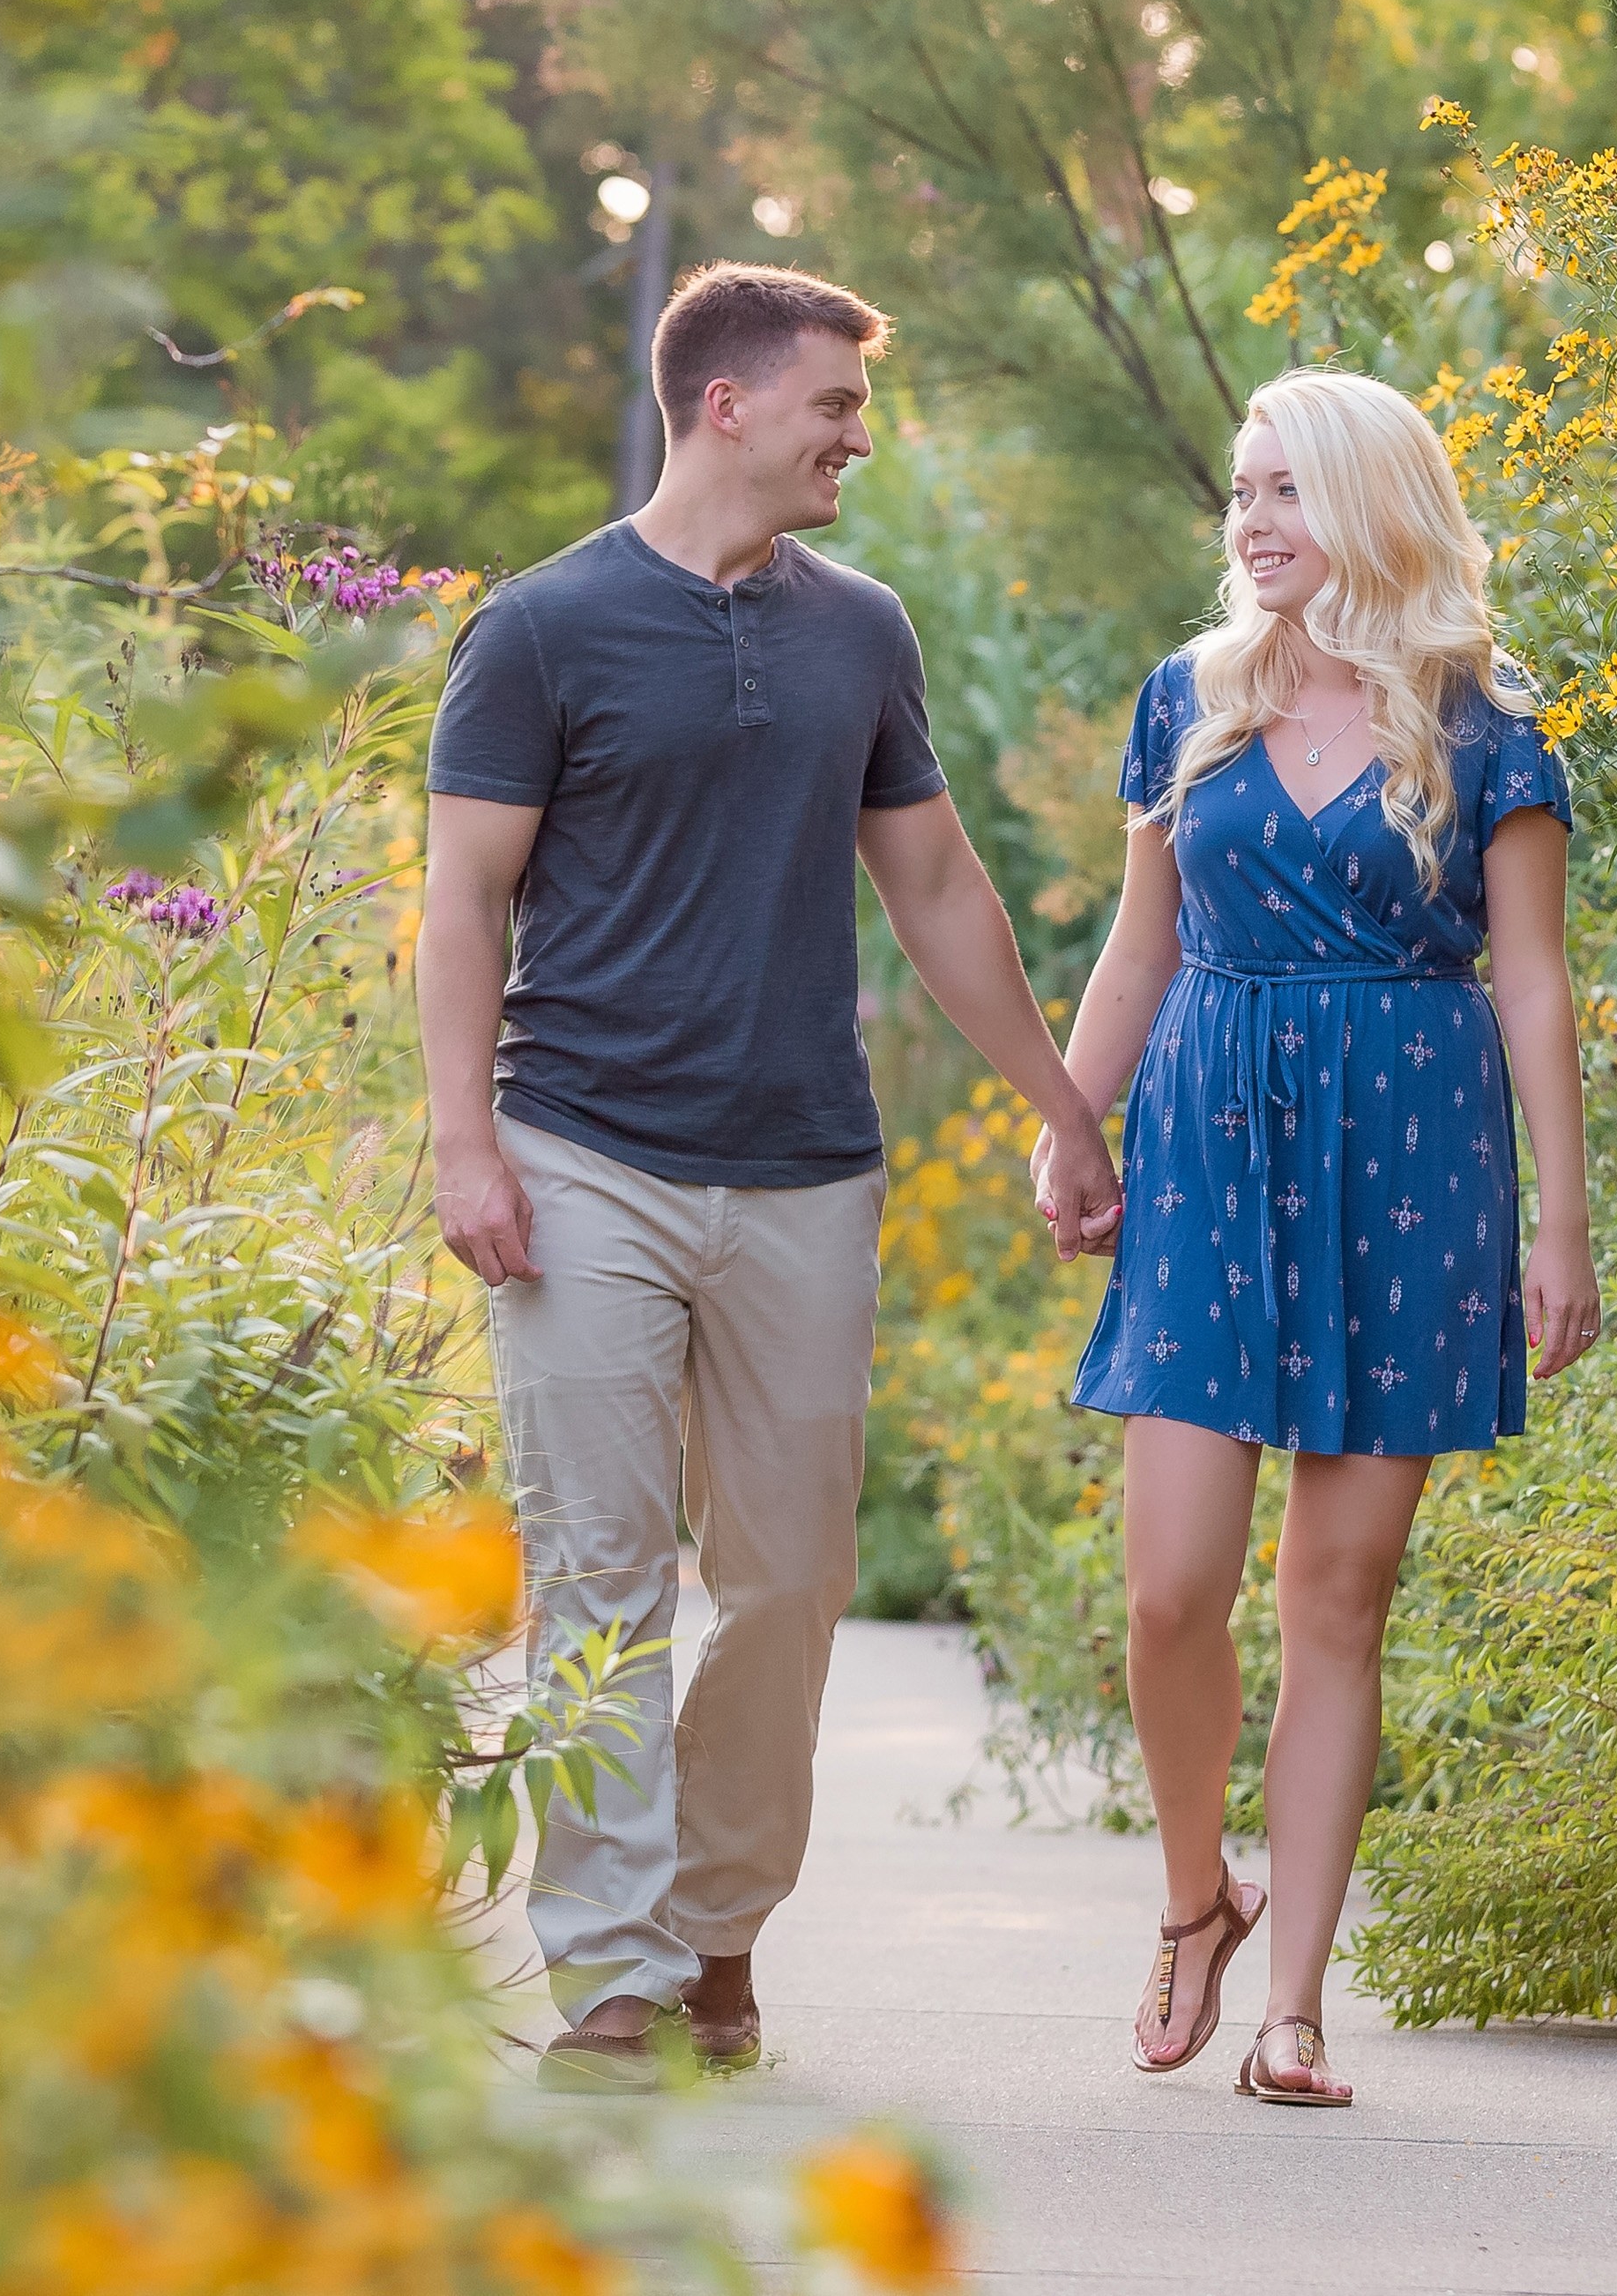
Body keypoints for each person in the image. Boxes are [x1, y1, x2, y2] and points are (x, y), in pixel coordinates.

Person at [421, 261, 1123, 2091]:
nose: (859, 438)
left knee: (794, 1571)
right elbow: (463, 898)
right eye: (836, 404)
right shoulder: (543, 628)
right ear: (727, 403)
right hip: (583, 1154)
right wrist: (463, 1139)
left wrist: (1060, 1098)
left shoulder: (860, 632)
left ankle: (722, 1919)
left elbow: (944, 892)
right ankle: (617, 1976)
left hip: (805, 1166)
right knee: (597, 1569)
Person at [1029, 368, 1599, 2106]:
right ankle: (1197, 1904)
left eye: (1287, 489)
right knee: (1169, 1591)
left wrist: (1561, 1225)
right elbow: (1139, 949)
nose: (1254, 521)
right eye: (1243, 494)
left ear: (1367, 504)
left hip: (1412, 1154)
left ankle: (1296, 2011)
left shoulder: (1484, 715)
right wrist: (1071, 1118)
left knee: (1337, 1601)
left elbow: (1532, 979)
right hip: (1206, 1149)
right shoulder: (1187, 701)